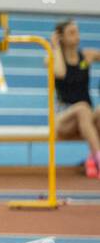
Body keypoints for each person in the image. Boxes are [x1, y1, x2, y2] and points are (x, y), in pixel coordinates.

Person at [50, 20, 100, 178]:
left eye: (77, 31)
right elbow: (60, 73)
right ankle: (98, 159)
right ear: (61, 37)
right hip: (64, 120)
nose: (76, 36)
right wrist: (56, 47)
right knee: (82, 108)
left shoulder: (86, 56)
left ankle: (93, 158)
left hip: (86, 120)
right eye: (71, 32)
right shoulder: (53, 58)